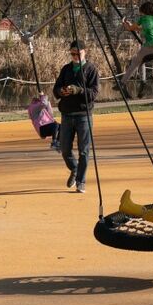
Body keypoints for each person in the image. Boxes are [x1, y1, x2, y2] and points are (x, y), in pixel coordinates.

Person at [53, 40, 99, 194]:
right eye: (72, 54)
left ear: (85, 51)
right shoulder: (66, 69)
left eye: (77, 53)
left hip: (83, 116)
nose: (75, 56)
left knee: (84, 151)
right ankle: (75, 169)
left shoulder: (91, 69)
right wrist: (62, 91)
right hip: (66, 115)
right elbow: (56, 89)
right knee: (65, 149)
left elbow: (93, 94)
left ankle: (81, 181)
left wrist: (78, 90)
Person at [121, 0, 153, 91]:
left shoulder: (143, 19)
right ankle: (143, 81)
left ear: (144, 11)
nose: (140, 13)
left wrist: (124, 23)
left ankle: (122, 82)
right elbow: (144, 29)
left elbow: (130, 28)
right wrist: (134, 27)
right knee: (141, 61)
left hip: (150, 46)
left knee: (135, 61)